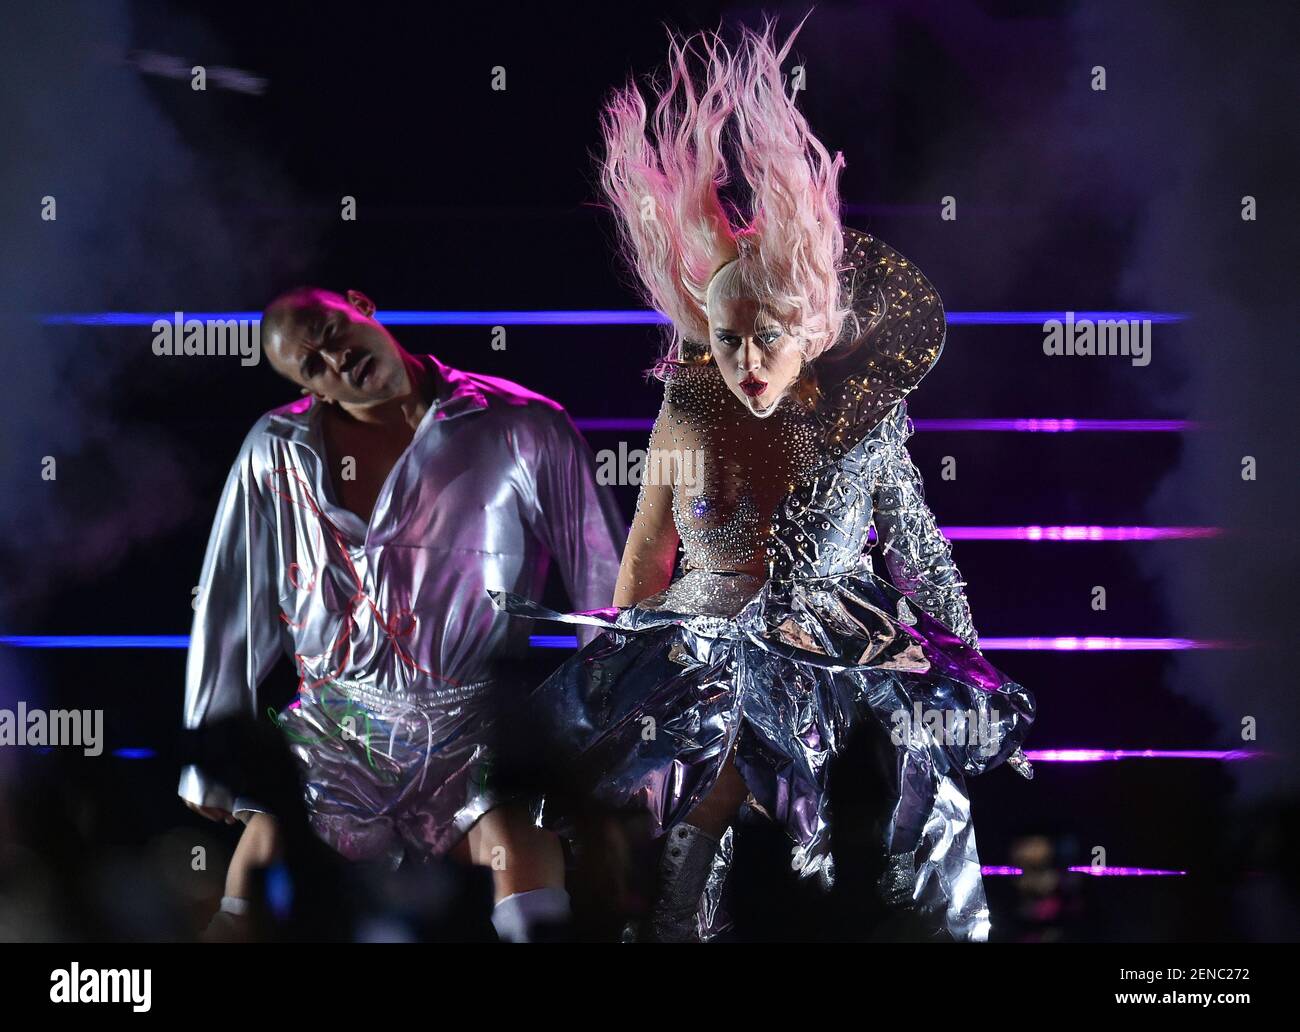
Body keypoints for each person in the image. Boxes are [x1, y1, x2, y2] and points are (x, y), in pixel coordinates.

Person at [490, 18, 1035, 942]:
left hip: (842, 653)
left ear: (812, 335)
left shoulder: (866, 419)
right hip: (699, 648)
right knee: (683, 815)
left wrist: (966, 659)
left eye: (767, 338)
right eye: (728, 336)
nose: (745, 359)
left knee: (905, 812)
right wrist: (622, 662)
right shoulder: (688, 408)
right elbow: (646, 552)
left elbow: (915, 543)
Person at [180, 286, 624, 941]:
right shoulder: (273, 449)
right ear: (313, 388)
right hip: (332, 732)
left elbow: (602, 577)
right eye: (312, 365)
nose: (336, 358)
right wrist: (206, 760)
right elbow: (230, 601)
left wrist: (626, 733)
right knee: (255, 870)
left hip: (476, 731)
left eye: (331, 330)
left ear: (361, 305)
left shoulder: (522, 424)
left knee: (523, 860)